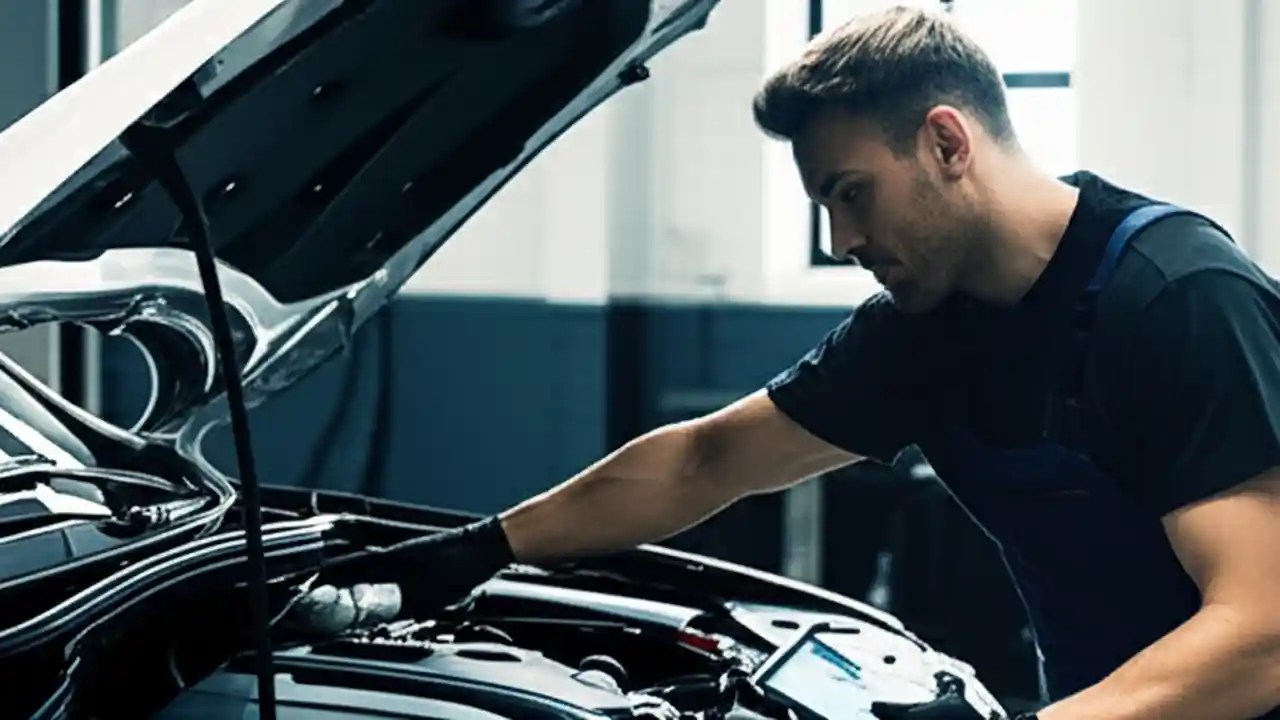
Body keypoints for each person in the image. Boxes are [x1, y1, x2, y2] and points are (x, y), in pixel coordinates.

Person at [382, 6, 1280, 719]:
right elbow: (707, 460)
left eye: (854, 195)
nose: (843, 239)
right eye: (824, 206)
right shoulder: (921, 328)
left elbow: (1260, 634)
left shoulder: (1178, 300)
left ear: (948, 143)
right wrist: (482, 548)